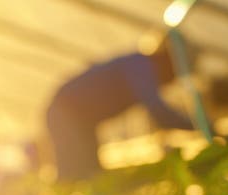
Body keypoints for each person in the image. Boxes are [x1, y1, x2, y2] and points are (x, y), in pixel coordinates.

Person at [46, 39, 193, 179]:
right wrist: (199, 126)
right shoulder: (141, 65)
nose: (172, 80)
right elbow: (159, 112)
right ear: (168, 61)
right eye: (175, 72)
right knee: (75, 169)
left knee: (89, 169)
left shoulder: (140, 65)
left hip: (80, 118)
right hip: (65, 112)